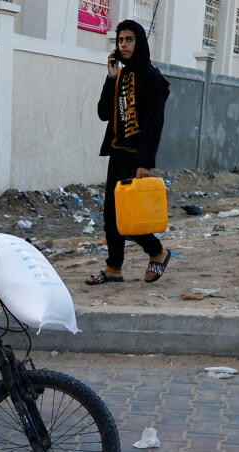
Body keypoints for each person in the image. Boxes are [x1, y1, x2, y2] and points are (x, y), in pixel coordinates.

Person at [86, 19, 172, 286]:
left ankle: (158, 253)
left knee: (131, 217)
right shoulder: (120, 76)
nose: (123, 45)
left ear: (140, 43)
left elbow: (154, 123)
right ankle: (114, 268)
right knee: (111, 215)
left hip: (136, 158)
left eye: (129, 40)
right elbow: (102, 113)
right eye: (120, 40)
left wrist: (145, 162)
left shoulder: (151, 76)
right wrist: (110, 78)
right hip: (117, 154)